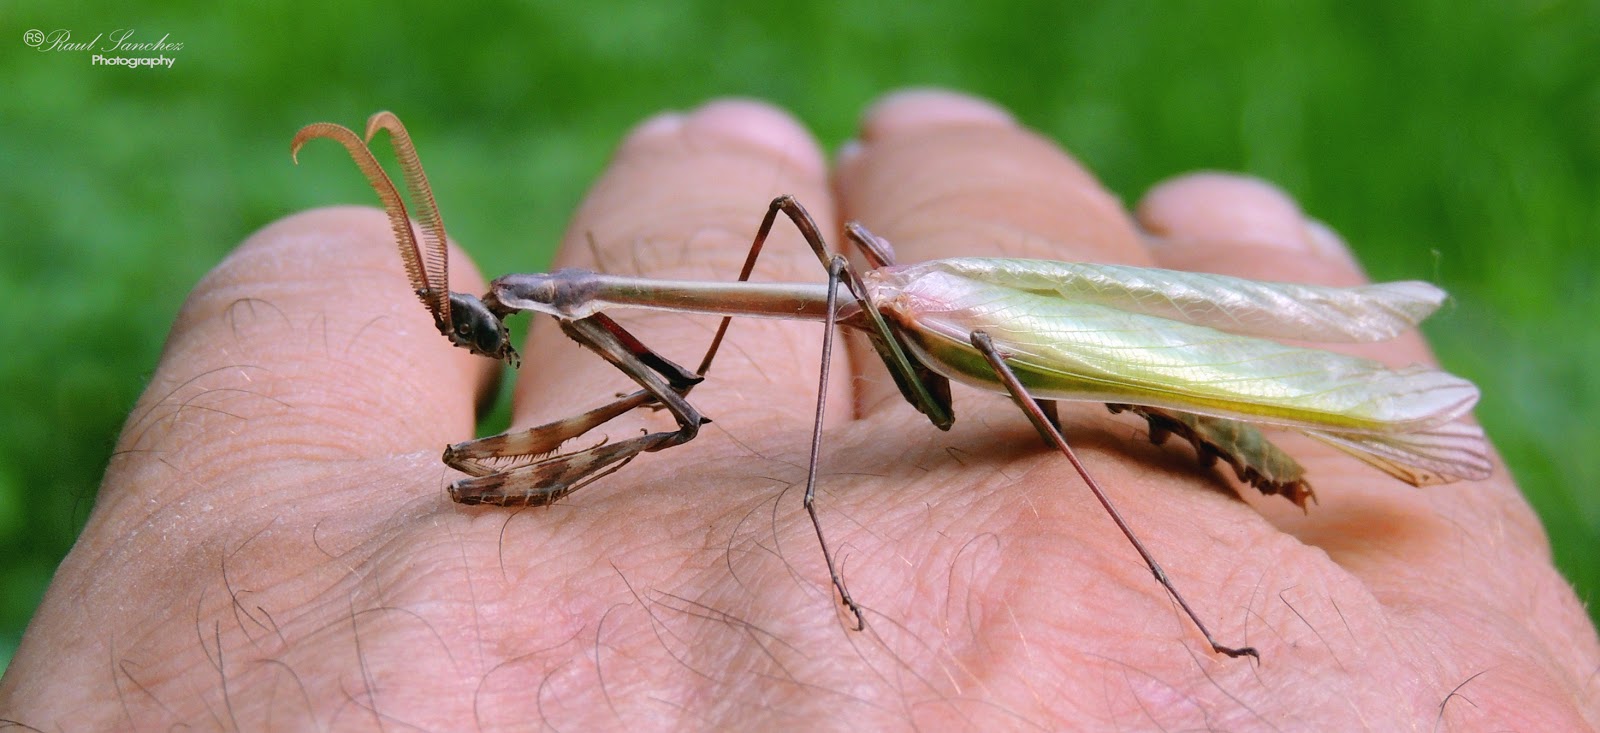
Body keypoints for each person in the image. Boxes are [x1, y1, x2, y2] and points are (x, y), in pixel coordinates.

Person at [3, 90, 1595, 730]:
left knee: (1050, 400)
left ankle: (1245, 467)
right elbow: (678, 404)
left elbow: (681, 402)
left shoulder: (789, 317)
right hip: (916, 309)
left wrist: (823, 516)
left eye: (487, 321)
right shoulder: (688, 329)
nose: (489, 334)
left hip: (994, 338)